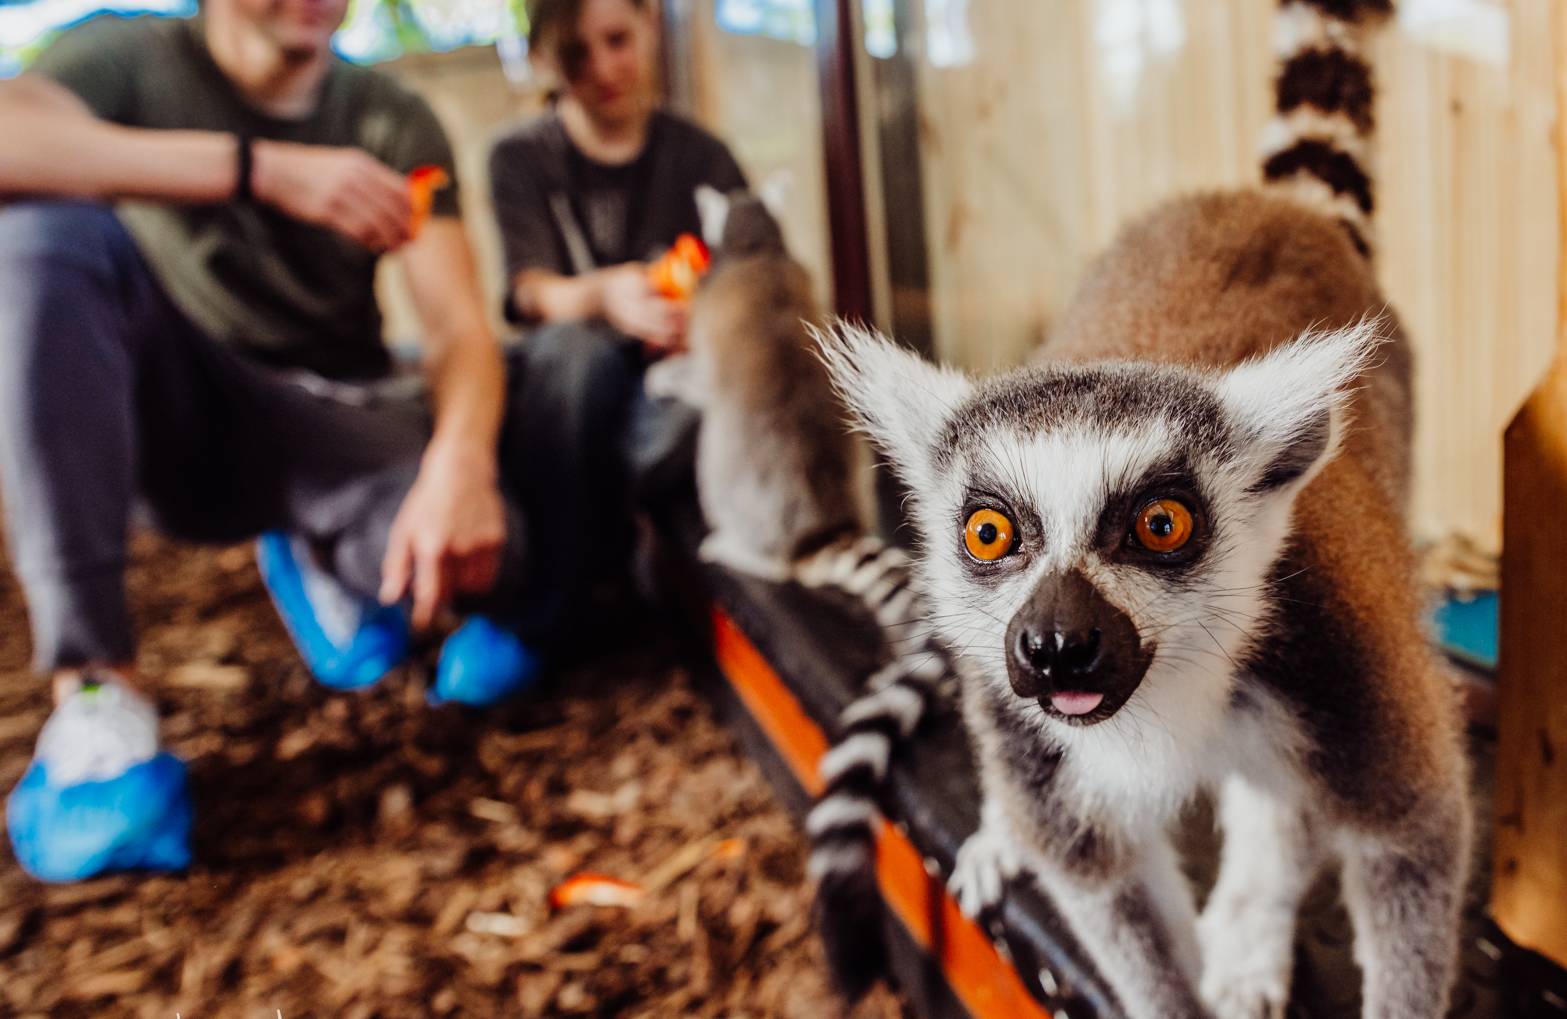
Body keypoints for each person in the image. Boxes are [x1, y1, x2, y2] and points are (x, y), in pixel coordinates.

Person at [0, 0, 633, 881]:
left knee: (497, 558)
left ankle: (316, 544)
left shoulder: (388, 116)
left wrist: (460, 466)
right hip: (188, 411)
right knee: (37, 233)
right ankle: (96, 695)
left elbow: (455, 325)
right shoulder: (121, 56)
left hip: (337, 419)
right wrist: (256, 170)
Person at [489, 0, 748, 502]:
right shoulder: (520, 157)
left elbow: (748, 280)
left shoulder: (703, 157)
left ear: (649, 25)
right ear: (543, 55)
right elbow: (529, 292)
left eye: (617, 41)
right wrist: (605, 296)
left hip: (675, 379)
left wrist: (701, 322)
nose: (603, 70)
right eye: (575, 53)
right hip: (569, 392)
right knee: (574, 359)